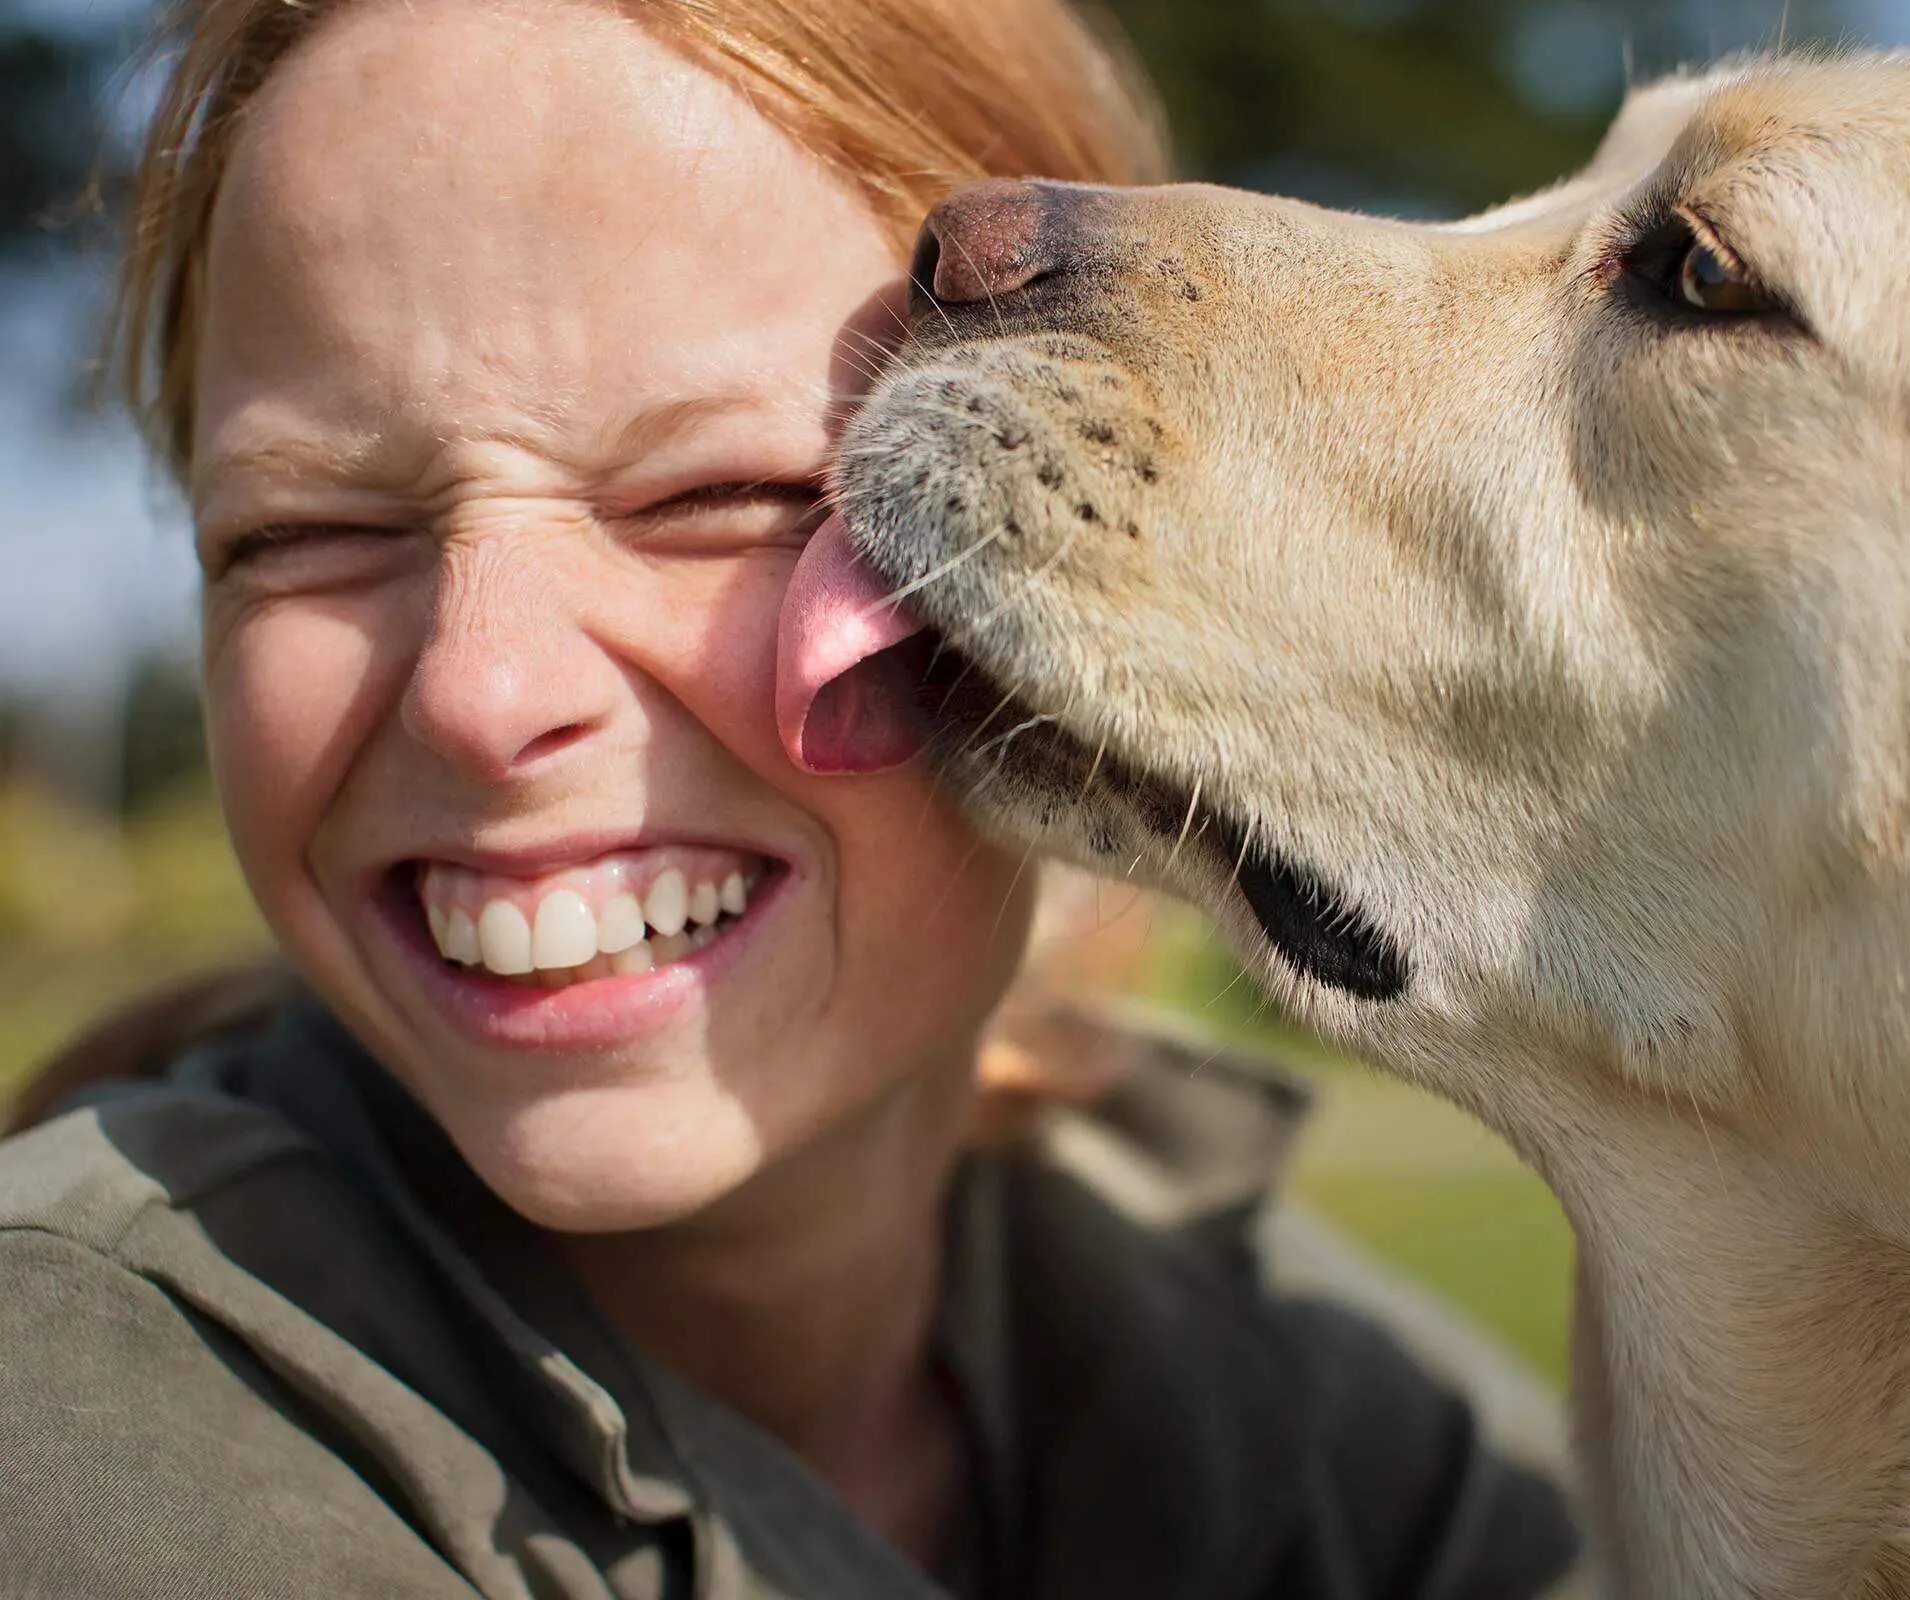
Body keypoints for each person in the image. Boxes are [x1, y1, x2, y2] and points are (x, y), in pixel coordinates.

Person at [0, 0, 1582, 1594]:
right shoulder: (76, 1417)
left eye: (723, 497)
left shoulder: (1297, 1409)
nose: (479, 692)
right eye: (302, 535)